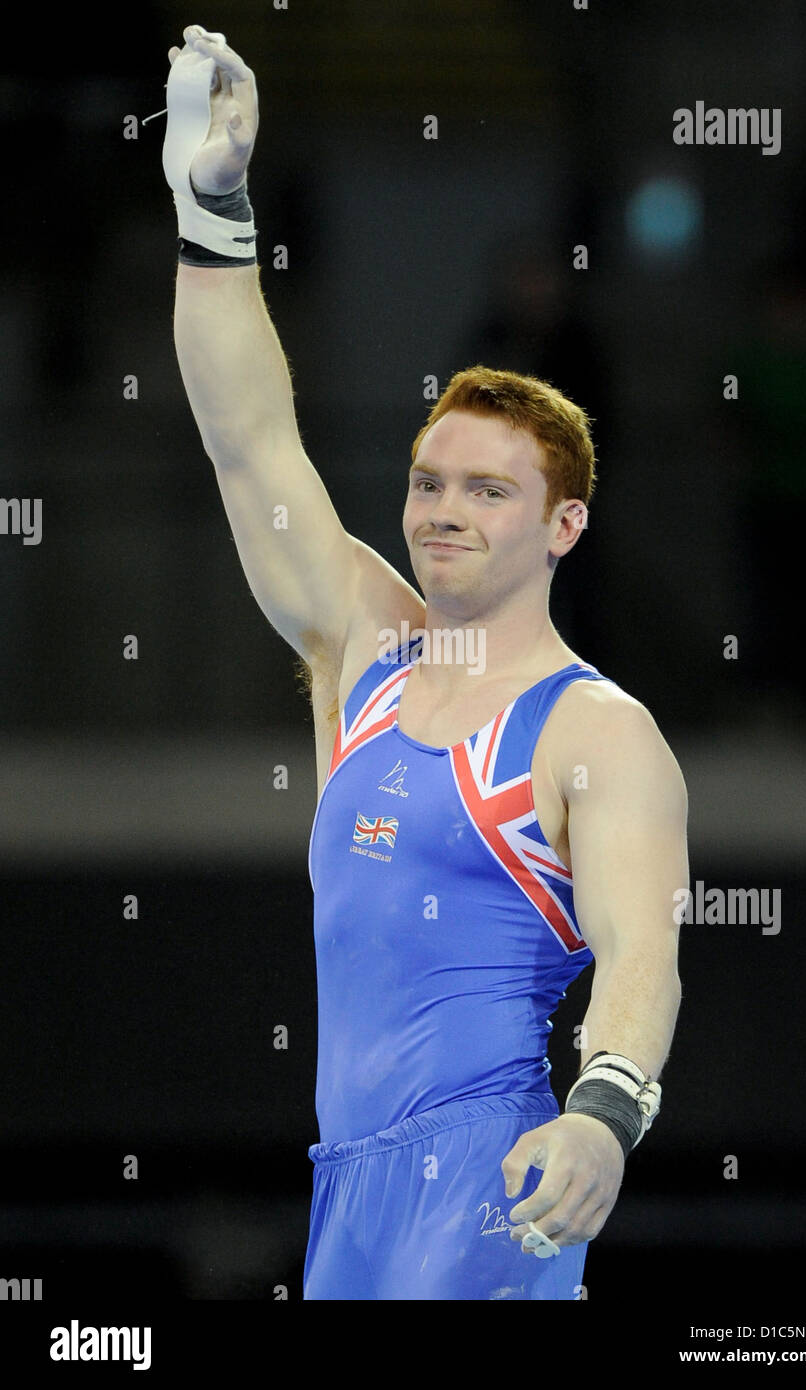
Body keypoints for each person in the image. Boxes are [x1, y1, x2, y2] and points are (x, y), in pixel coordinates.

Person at [164, 24, 688, 1300]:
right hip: (345, 1188)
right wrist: (210, 209)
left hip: (488, 1179)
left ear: (565, 525)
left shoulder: (596, 732)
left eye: (489, 490)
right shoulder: (370, 653)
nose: (444, 507)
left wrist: (604, 1114)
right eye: (428, 480)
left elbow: (639, 953)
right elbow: (249, 443)